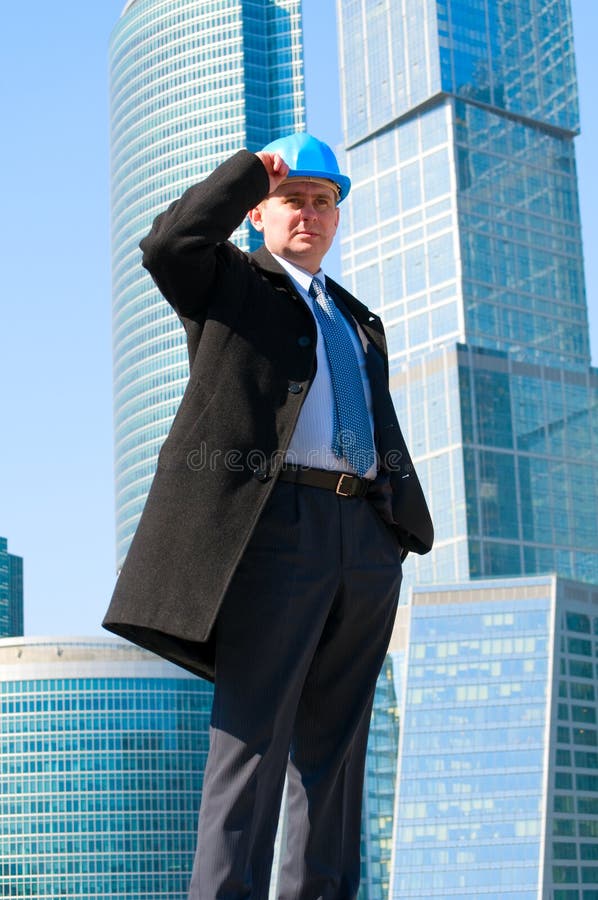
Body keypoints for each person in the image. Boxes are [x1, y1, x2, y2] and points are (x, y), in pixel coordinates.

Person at [103, 132, 433, 899]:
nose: (310, 215)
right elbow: (167, 244)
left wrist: (395, 528)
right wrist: (254, 169)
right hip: (276, 525)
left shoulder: (356, 318)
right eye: (293, 200)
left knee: (338, 754)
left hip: (365, 536)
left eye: (324, 203)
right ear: (259, 213)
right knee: (253, 743)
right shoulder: (233, 285)